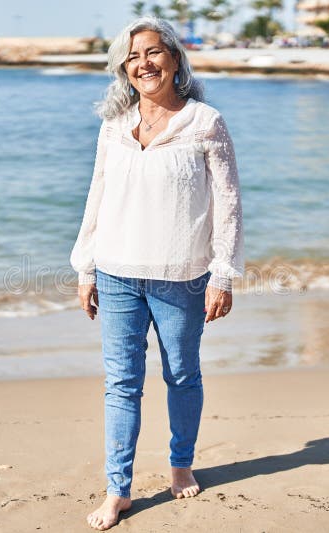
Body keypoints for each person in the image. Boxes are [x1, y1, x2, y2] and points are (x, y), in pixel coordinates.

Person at [69, 16, 244, 531]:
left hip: (182, 278)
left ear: (174, 58)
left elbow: (228, 206)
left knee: (182, 375)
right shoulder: (113, 127)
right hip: (117, 273)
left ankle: (180, 464)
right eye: (132, 56)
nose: (143, 63)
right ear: (123, 68)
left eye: (152, 53)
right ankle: (117, 491)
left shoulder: (205, 122)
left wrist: (223, 274)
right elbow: (96, 198)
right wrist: (86, 267)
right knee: (121, 383)